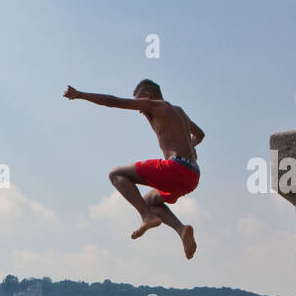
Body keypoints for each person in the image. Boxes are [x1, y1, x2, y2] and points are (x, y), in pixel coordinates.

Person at [64, 79, 204, 259]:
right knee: (149, 201)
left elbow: (114, 101)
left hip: (176, 167)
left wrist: (80, 95)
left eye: (140, 104)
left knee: (116, 175)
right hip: (192, 175)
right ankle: (181, 229)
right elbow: (200, 134)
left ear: (147, 96)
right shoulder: (179, 112)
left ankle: (146, 217)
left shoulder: (156, 105)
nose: (139, 110)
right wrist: (189, 149)